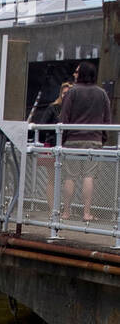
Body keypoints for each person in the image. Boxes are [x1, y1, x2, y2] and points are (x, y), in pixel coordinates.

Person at [59, 60, 111, 223]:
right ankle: (86, 213)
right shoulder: (102, 93)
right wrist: (102, 137)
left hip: (73, 140)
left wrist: (64, 138)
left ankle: (66, 212)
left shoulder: (72, 93)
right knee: (89, 176)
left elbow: (64, 118)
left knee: (70, 176)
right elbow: (107, 118)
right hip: (94, 140)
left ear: (81, 74)